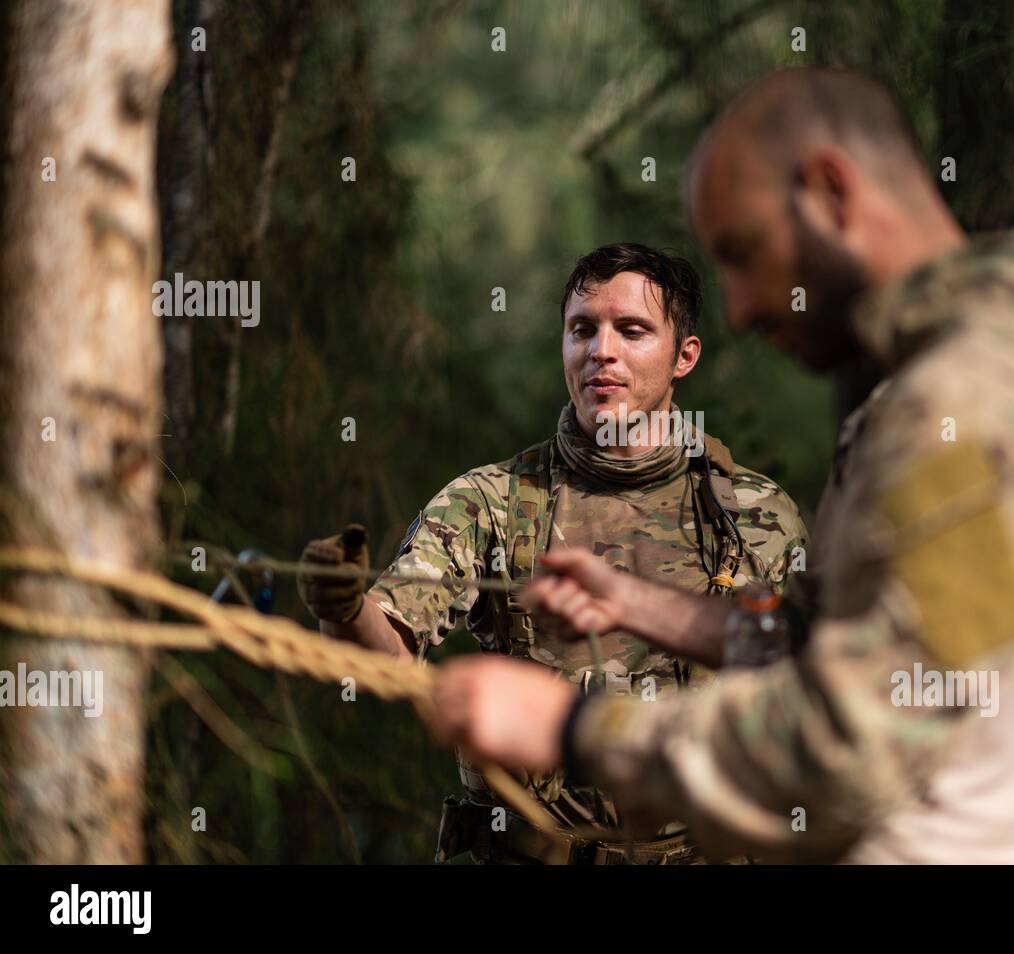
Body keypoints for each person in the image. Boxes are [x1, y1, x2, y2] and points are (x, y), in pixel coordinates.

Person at [427, 68, 1014, 863]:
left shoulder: (969, 405)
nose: (740, 307)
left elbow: (849, 742)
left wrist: (575, 729)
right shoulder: (991, 374)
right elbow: (825, 640)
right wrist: (634, 602)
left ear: (831, 191)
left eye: (743, 253)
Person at [297, 242, 808, 864]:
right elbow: (387, 658)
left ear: (684, 356)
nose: (602, 351)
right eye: (582, 329)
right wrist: (345, 607)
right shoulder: (490, 501)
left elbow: (812, 690)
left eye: (633, 330)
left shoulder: (757, 516)